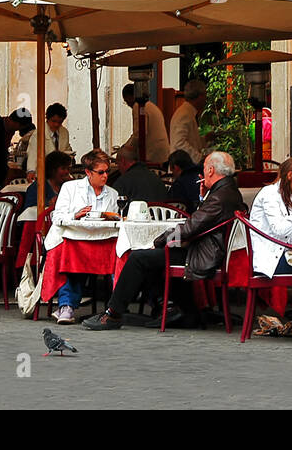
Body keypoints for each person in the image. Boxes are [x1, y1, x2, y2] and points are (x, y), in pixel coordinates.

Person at [83, 151, 244, 331]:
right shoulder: (228, 191)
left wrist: (159, 241)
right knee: (153, 256)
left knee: (139, 258)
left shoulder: (219, 196)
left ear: (211, 170)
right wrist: (201, 198)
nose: (203, 173)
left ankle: (113, 313)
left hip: (203, 254)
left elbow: (190, 227)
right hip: (208, 250)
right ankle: (180, 310)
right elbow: (198, 223)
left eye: (205, 169)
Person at [49, 149, 119, 324]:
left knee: (121, 254)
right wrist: (75, 215)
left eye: (107, 172)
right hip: (75, 238)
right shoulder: (70, 188)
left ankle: (115, 307)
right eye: (101, 172)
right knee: (70, 254)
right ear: (88, 172)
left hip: (102, 239)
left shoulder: (113, 194)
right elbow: (56, 217)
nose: (105, 176)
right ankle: (67, 305)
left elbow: (115, 220)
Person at [248, 157, 292, 276]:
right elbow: (279, 229)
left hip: (281, 253)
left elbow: (284, 229)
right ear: (290, 175)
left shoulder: (285, 196)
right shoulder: (269, 194)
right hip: (270, 260)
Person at [122, 83, 170, 164]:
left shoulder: (138, 106)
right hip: (162, 153)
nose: (128, 104)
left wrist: (126, 148)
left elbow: (139, 134)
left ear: (130, 97)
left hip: (153, 155)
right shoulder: (151, 106)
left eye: (126, 101)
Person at [169, 79, 207, 164]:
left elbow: (190, 140)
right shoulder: (185, 114)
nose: (206, 99)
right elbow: (179, 143)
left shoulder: (187, 112)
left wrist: (205, 140)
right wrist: (199, 158)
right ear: (199, 96)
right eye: (205, 95)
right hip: (183, 167)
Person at [165, 149, 200, 213]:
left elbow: (170, 206)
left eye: (172, 171)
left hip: (188, 217)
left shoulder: (179, 184)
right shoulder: (203, 175)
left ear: (176, 167)